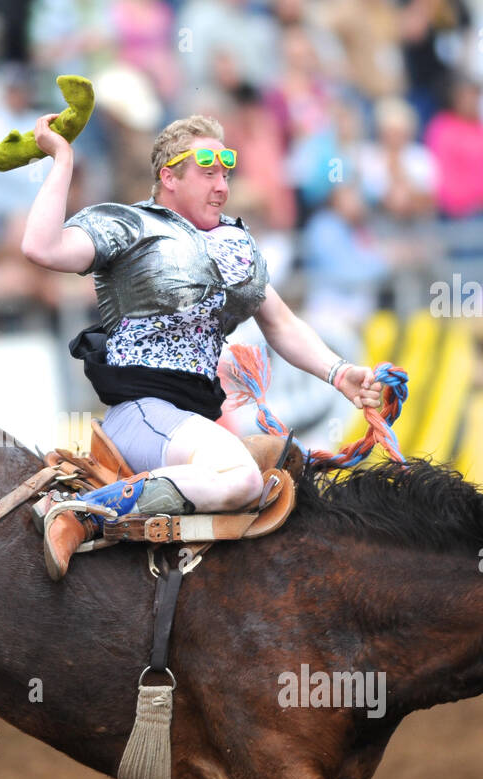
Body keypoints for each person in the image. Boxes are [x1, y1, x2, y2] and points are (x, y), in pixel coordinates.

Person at [22, 112, 382, 580]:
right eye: (208, 172)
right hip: (142, 414)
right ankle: (79, 511)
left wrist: (340, 373)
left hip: (191, 423)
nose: (222, 186)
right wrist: (63, 159)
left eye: (225, 174)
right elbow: (41, 247)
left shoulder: (236, 244)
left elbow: (280, 323)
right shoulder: (129, 224)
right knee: (242, 479)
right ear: (168, 177)